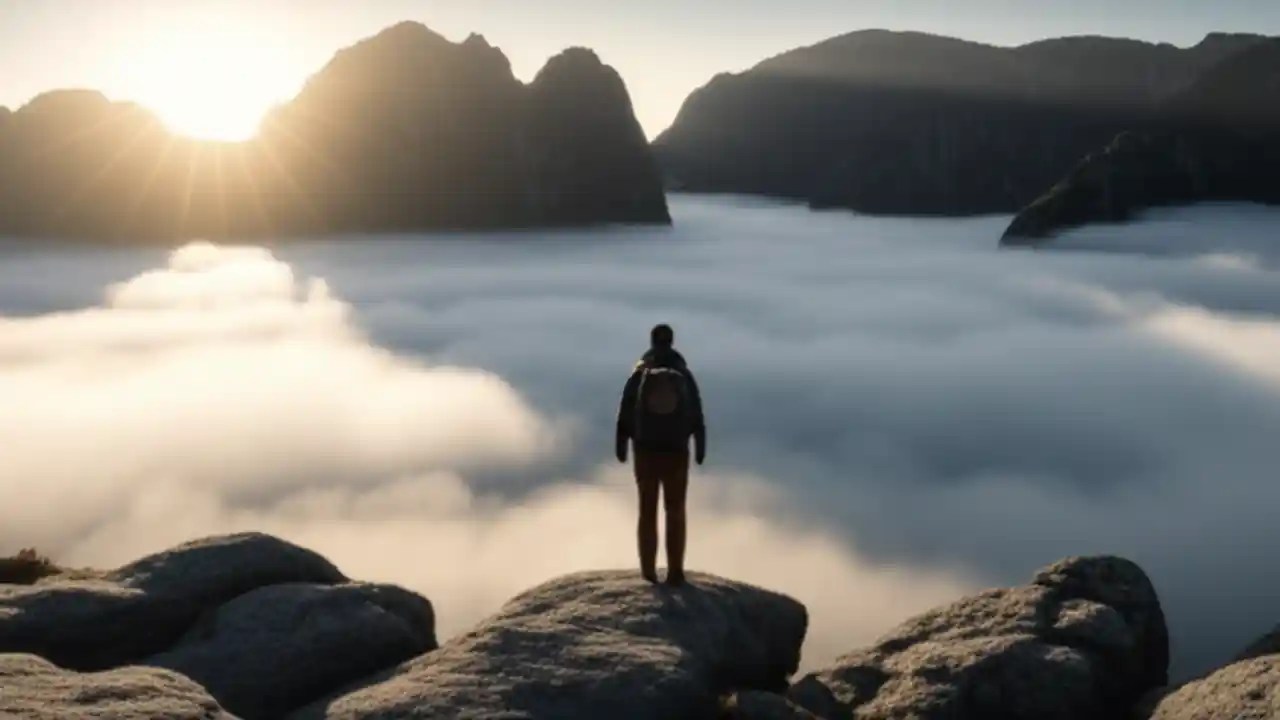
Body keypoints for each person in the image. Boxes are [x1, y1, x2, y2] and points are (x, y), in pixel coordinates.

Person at [616, 324, 706, 586]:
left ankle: (648, 572)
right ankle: (676, 572)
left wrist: (622, 445)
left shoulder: (640, 373)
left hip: (645, 452)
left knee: (647, 511)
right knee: (675, 510)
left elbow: (625, 411)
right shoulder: (683, 374)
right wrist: (699, 447)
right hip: (677, 452)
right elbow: (697, 414)